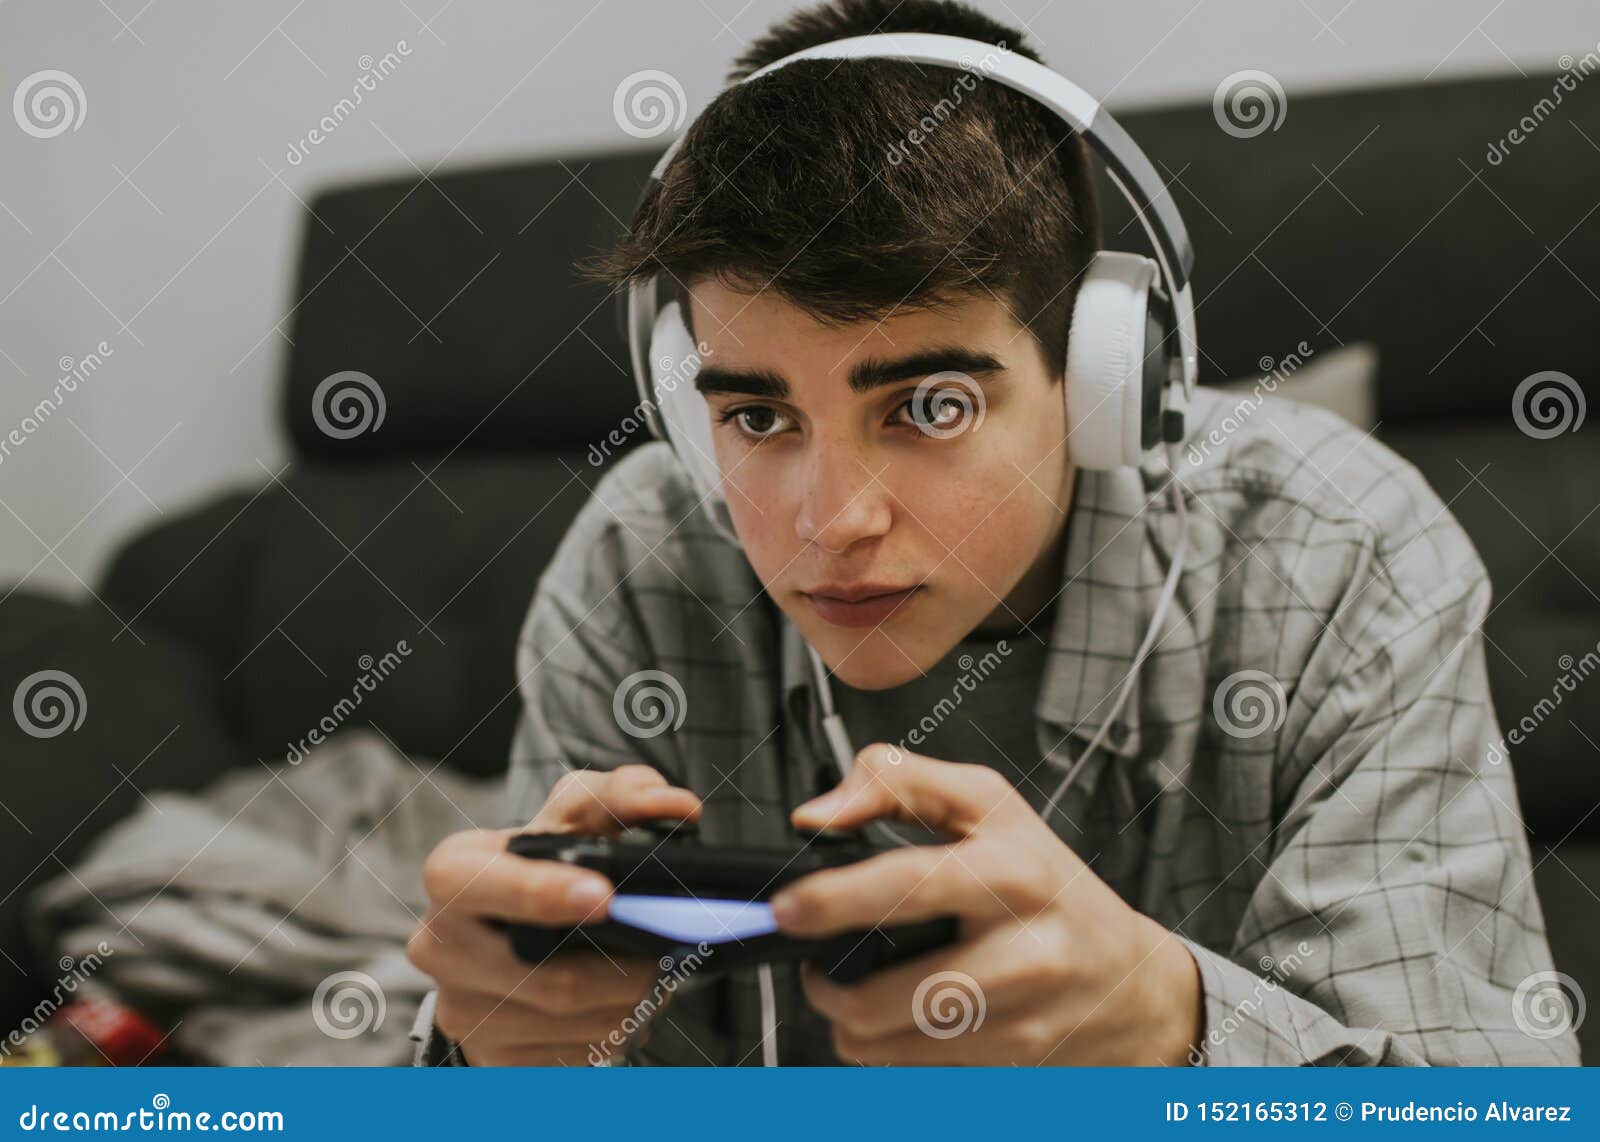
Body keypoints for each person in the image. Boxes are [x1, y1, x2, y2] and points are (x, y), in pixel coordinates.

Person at [407, 0, 1576, 1067]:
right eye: (757, 415)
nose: (831, 522)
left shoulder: (1343, 550)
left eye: (928, 405)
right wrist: (496, 1061)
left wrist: (1168, 1025)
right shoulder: (638, 561)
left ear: (1105, 374)